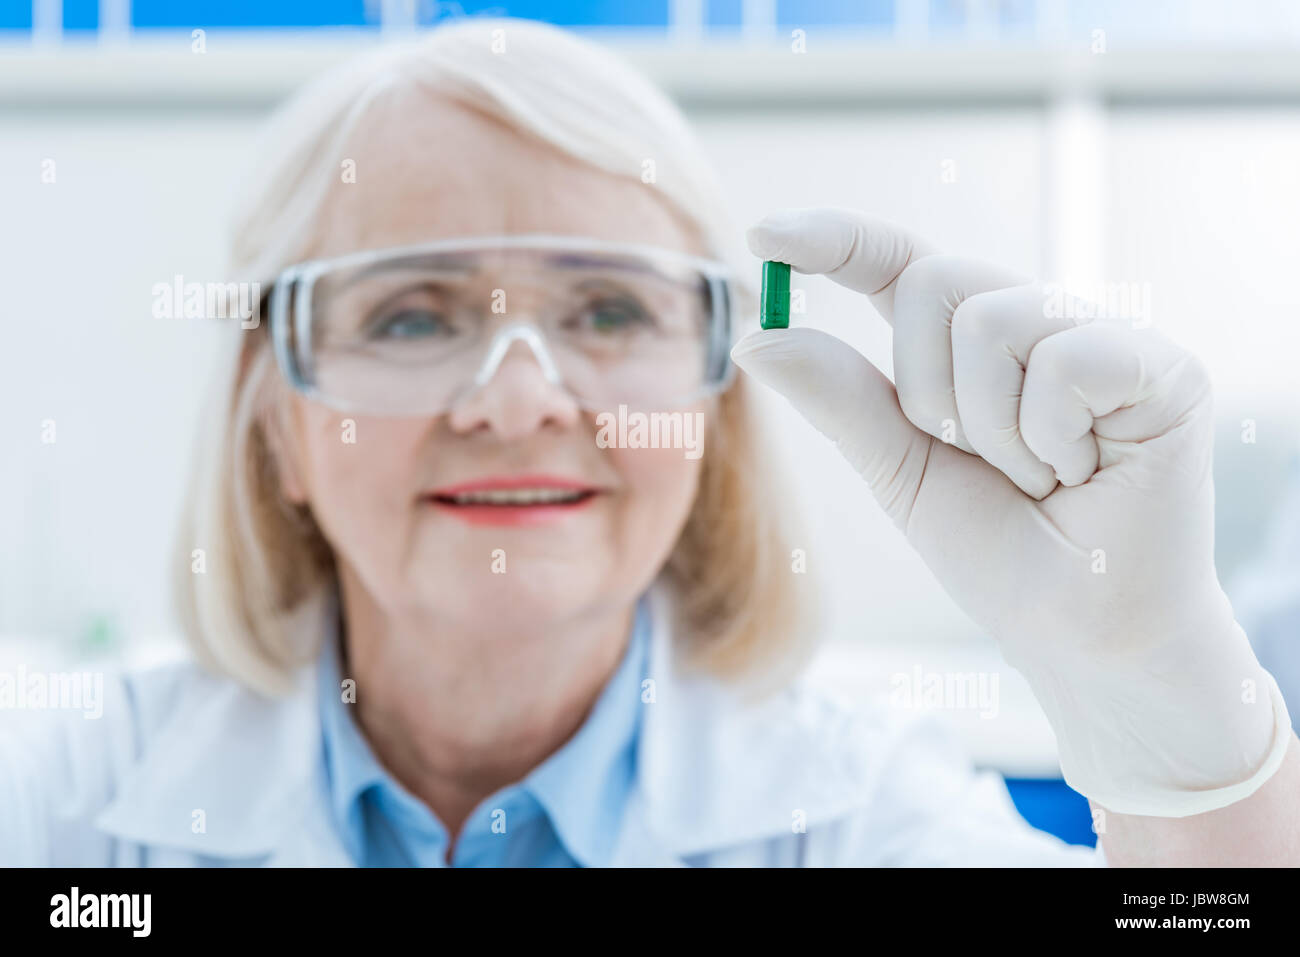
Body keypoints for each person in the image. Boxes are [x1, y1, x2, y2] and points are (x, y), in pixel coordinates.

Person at [2, 17, 1297, 867]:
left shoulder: (851, 814)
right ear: (276, 416)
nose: (516, 403)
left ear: (709, 412)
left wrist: (1176, 749)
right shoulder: (77, 805)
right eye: (412, 313)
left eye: (609, 308)